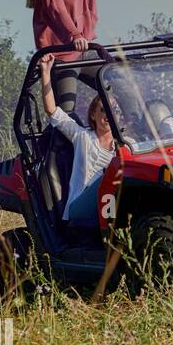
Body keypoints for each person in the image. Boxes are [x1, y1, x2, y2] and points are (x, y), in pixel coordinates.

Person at [37, 54, 120, 227]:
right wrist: (45, 72)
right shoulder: (82, 137)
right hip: (80, 206)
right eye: (104, 110)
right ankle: (113, 231)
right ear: (93, 115)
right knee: (111, 180)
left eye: (115, 110)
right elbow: (52, 110)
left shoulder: (126, 145)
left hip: (110, 205)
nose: (110, 115)